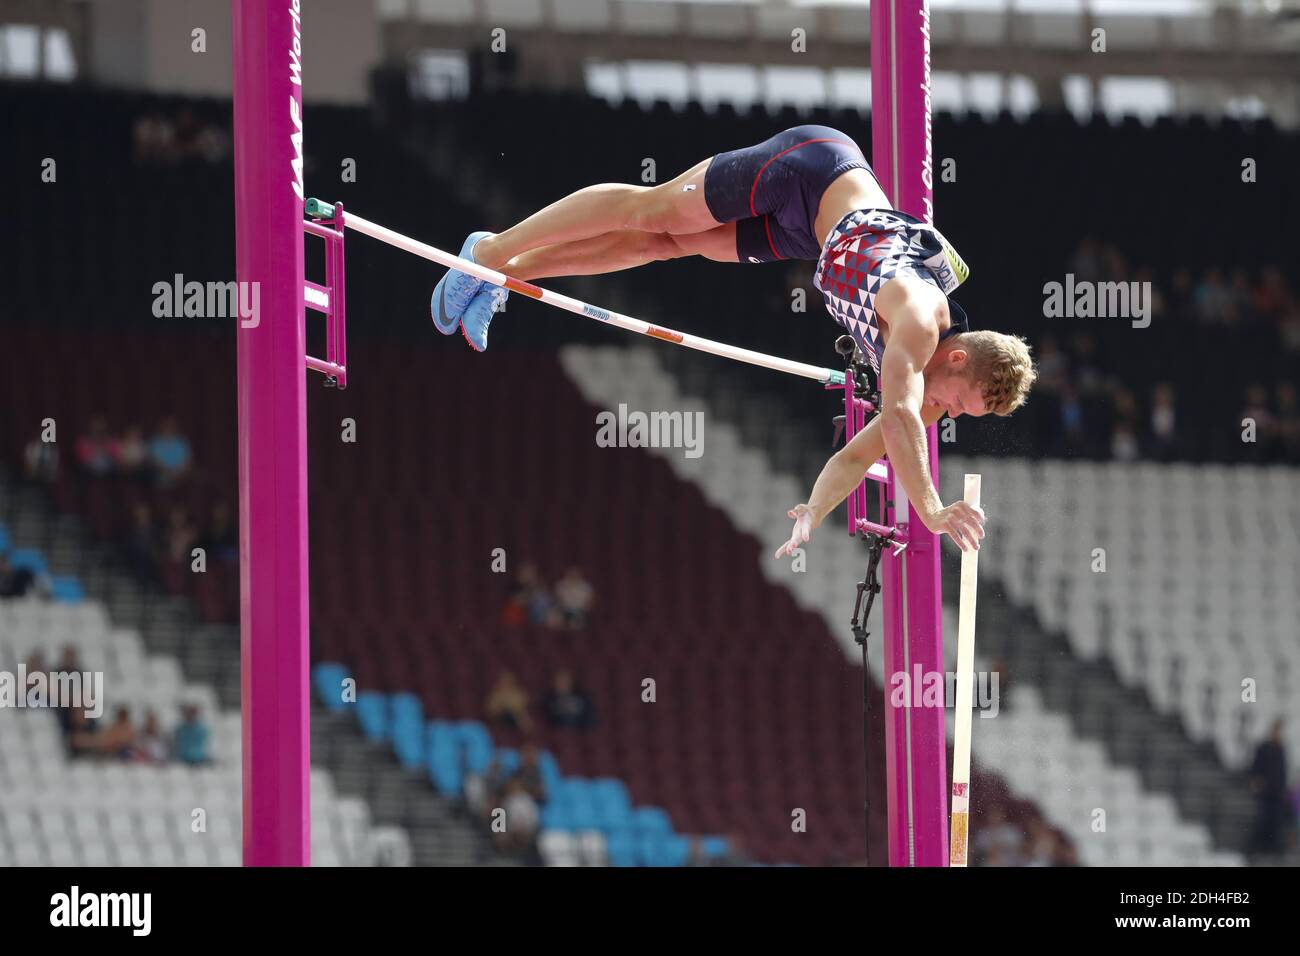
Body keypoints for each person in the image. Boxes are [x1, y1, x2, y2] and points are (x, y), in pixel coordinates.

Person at [429, 126, 1033, 554]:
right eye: (957, 400)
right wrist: (930, 509)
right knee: (652, 213)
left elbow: (855, 455)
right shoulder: (921, 320)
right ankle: (490, 250)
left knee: (664, 245)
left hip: (811, 237)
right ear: (957, 357)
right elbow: (899, 414)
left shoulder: (929, 382)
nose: (946, 412)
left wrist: (812, 511)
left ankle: (501, 276)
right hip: (814, 169)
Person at [1248, 719, 1289, 859]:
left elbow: (1283, 772)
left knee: (1275, 822)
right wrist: (1256, 782)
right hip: (1265, 793)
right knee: (1262, 820)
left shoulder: (1281, 749)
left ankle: (1272, 852)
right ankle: (1257, 850)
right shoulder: (1263, 748)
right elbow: (1255, 768)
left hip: (1277, 794)